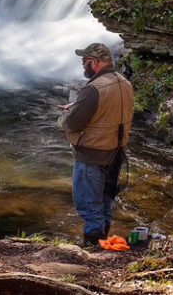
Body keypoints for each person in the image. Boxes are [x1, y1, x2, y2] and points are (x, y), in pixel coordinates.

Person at [58, 42, 133, 247]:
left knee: (89, 206)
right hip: (116, 153)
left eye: (84, 61)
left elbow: (73, 124)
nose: (83, 65)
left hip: (92, 156)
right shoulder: (124, 82)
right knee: (105, 203)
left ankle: (91, 248)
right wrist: (80, 105)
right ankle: (103, 243)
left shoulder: (93, 89)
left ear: (95, 62)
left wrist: (65, 116)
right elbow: (107, 111)